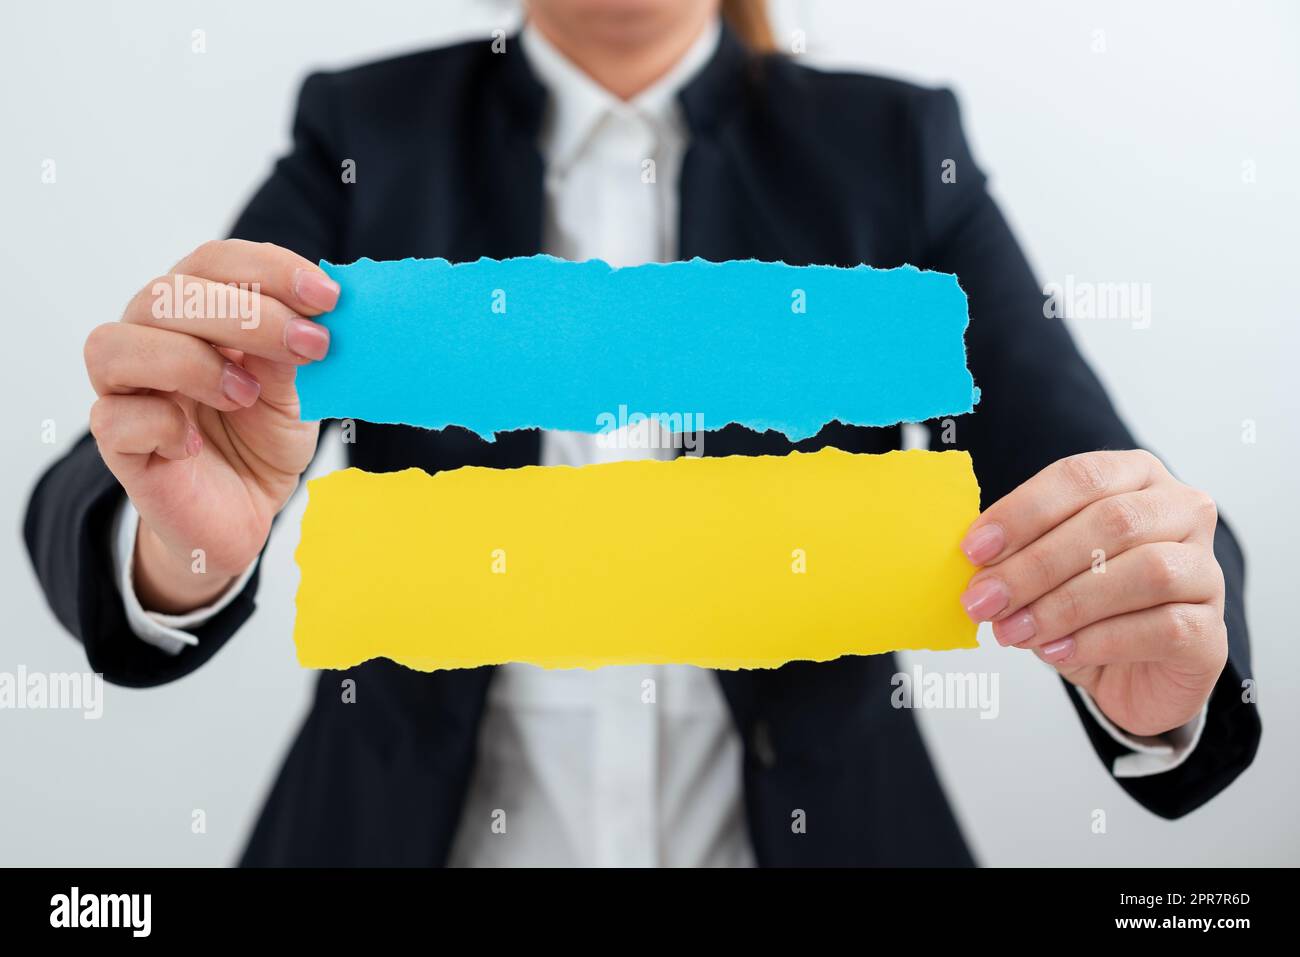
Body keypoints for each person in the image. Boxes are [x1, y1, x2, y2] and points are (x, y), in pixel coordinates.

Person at [24, 0, 1259, 866]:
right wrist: (179, 549)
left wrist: (1158, 637)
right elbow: (120, 473)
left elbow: (1103, 486)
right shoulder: (366, 134)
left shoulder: (891, 147)